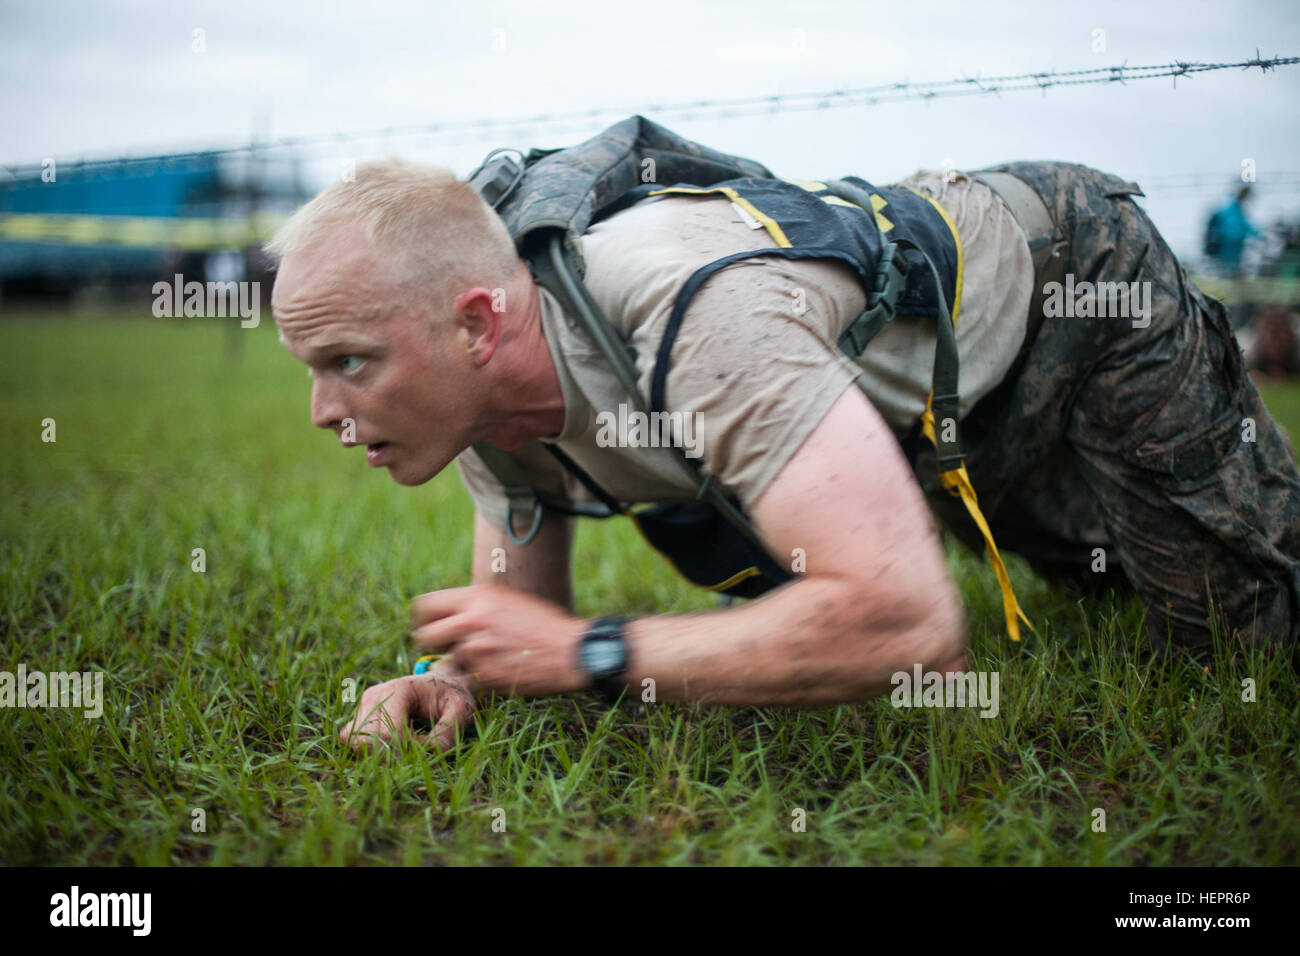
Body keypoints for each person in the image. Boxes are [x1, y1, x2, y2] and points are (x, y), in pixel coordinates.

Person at [265, 129, 1300, 752]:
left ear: (477, 323)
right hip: (919, 413)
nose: (320, 410)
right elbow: (511, 629)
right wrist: (443, 681)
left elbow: (910, 631)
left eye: (349, 362)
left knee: (1237, 647)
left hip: (1066, 282)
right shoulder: (488, 412)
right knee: (1098, 581)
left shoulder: (691, 312)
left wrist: (594, 652)